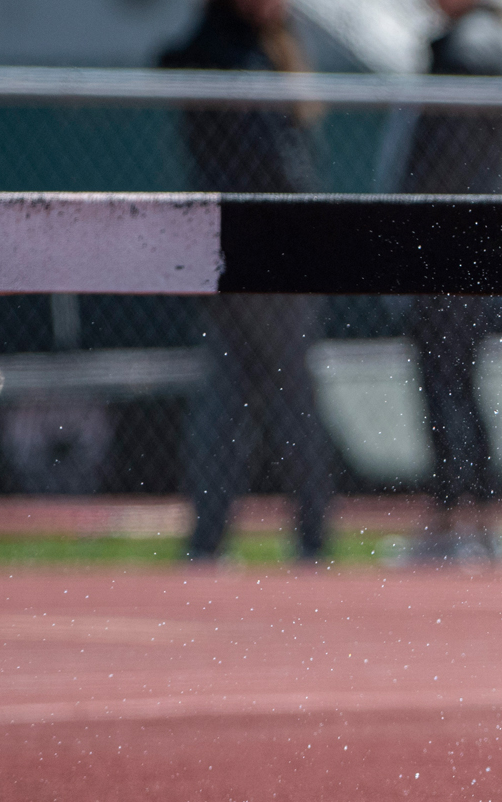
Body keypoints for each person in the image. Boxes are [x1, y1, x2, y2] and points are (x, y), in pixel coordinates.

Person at [161, 0, 335, 563]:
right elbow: (270, 163)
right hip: (247, 246)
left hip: (274, 250)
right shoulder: (216, 49)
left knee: (273, 398)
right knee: (242, 397)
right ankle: (219, 539)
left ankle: (304, 537)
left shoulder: (279, 46)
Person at [402, 0, 502, 562]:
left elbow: (451, 160)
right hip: (459, 240)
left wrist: (422, 229)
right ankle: (472, 519)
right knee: (457, 379)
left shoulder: (470, 49)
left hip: (451, 242)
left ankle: (458, 520)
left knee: (448, 380)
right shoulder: (469, 43)